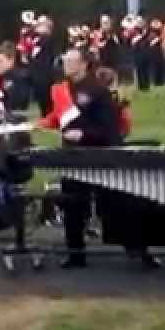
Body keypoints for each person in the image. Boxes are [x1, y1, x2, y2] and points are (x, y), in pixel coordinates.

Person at [37, 48, 127, 268]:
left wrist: (84, 134)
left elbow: (112, 130)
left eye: (70, 61)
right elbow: (58, 118)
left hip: (98, 155)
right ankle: (75, 253)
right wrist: (37, 125)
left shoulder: (98, 91)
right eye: (64, 60)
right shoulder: (62, 89)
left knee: (115, 207)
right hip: (72, 156)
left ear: (84, 64)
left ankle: (137, 248)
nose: (65, 65)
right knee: (73, 206)